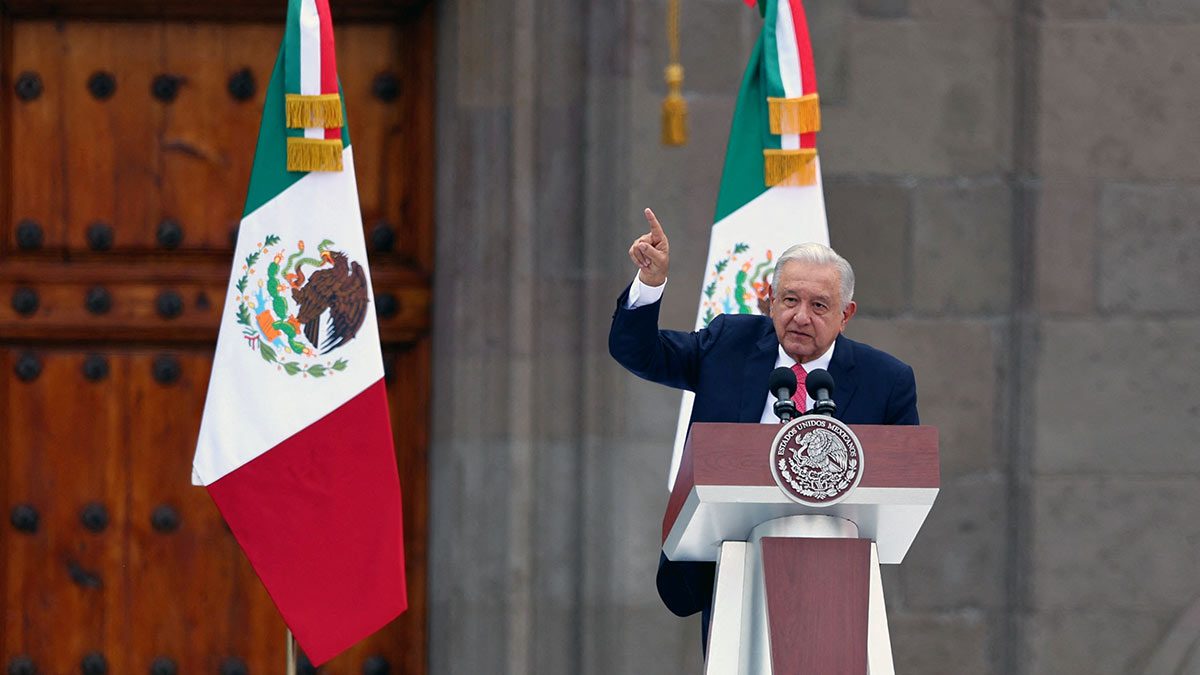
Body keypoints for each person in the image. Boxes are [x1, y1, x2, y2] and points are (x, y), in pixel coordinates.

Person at [609, 207, 919, 644]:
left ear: (846, 314)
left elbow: (906, 481)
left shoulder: (886, 381)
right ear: (770, 301)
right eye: (789, 300)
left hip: (836, 574)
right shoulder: (727, 345)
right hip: (728, 563)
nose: (801, 317)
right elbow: (638, 353)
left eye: (819, 306)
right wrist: (651, 282)